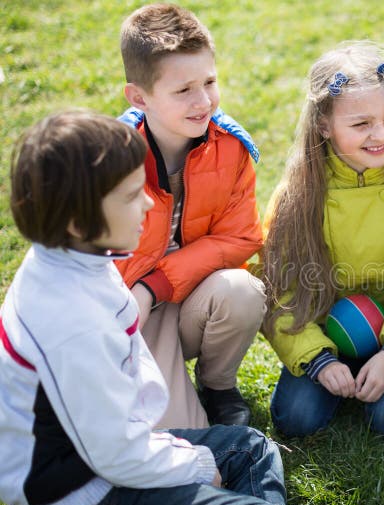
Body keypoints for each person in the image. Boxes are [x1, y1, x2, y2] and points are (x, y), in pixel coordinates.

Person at [0, 110, 293, 505]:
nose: (148, 203)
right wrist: (197, 466)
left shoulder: (72, 256)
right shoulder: (72, 321)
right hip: (85, 496)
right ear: (76, 220)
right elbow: (116, 456)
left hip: (113, 448)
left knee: (252, 448)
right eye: (130, 196)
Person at [258, 41, 384, 439]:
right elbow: (278, 286)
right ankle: (335, 367)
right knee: (294, 419)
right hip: (322, 323)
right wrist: (317, 359)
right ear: (323, 125)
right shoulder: (296, 195)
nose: (381, 134)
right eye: (361, 124)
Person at [116, 3, 266, 428]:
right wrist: (139, 297)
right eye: (183, 91)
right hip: (129, 315)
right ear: (139, 97)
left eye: (210, 82)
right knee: (181, 438)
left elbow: (242, 239)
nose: (204, 102)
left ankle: (217, 385)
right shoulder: (109, 161)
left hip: (183, 297)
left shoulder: (231, 147)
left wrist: (156, 285)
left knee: (242, 289)